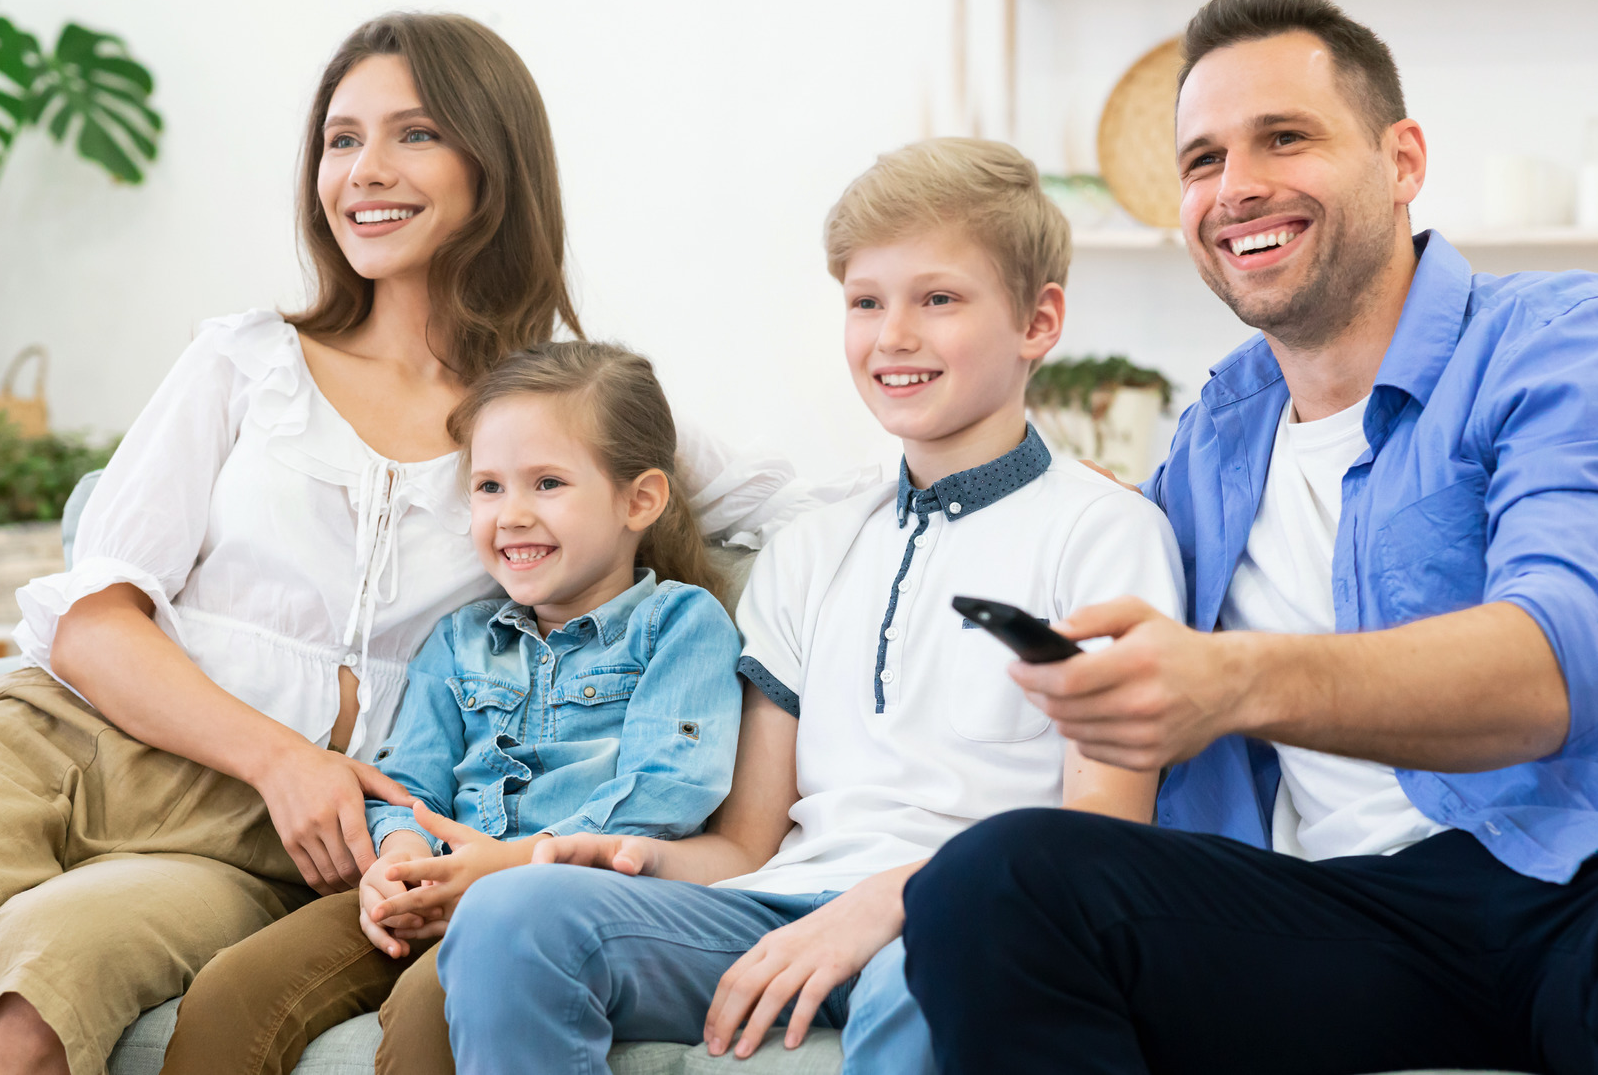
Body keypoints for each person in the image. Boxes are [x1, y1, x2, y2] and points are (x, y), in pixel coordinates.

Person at [0, 13, 817, 1075]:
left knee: (24, 1021)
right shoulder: (244, 362)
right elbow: (95, 619)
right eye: (341, 139)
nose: (364, 172)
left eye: (414, 134)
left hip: (268, 847)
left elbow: (800, 508)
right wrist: (285, 760)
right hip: (61, 746)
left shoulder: (554, 408)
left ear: (494, 162)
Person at [902, 0, 1598, 1075]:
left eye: (1282, 139)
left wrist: (1233, 679)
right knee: (998, 882)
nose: (1235, 188)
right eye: (1200, 162)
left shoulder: (1574, 345)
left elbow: (1557, 668)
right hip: (1348, 920)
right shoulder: (1207, 442)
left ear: (1400, 161)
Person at [431, 137, 1185, 1075]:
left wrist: (882, 907)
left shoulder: (1106, 533)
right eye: (866, 301)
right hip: (777, 907)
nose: (891, 336)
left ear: (1039, 322)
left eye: (937, 299)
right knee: (516, 917)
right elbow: (746, 843)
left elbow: (1099, 840)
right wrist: (630, 859)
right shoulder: (815, 544)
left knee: (946, 972)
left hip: (964, 921)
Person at [159, 340, 746, 1073]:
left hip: (553, 905)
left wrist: (504, 867)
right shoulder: (463, 637)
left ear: (641, 499)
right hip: (432, 883)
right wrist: (399, 858)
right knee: (233, 990)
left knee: (427, 1011)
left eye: (549, 483)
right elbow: (411, 777)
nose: (512, 515)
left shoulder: (680, 625)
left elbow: (664, 795)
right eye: (490, 487)